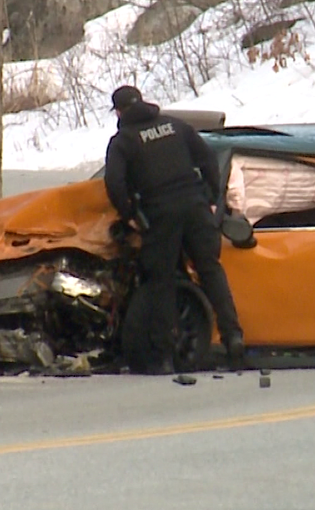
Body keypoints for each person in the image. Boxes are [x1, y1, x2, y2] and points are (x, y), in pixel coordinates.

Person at [102, 85, 247, 374]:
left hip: (161, 215)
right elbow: (208, 160)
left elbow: (114, 184)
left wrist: (131, 215)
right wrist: (209, 197)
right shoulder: (175, 126)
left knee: (161, 281)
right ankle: (234, 339)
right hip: (195, 208)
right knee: (210, 270)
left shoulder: (123, 141)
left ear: (119, 112)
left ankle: (165, 355)